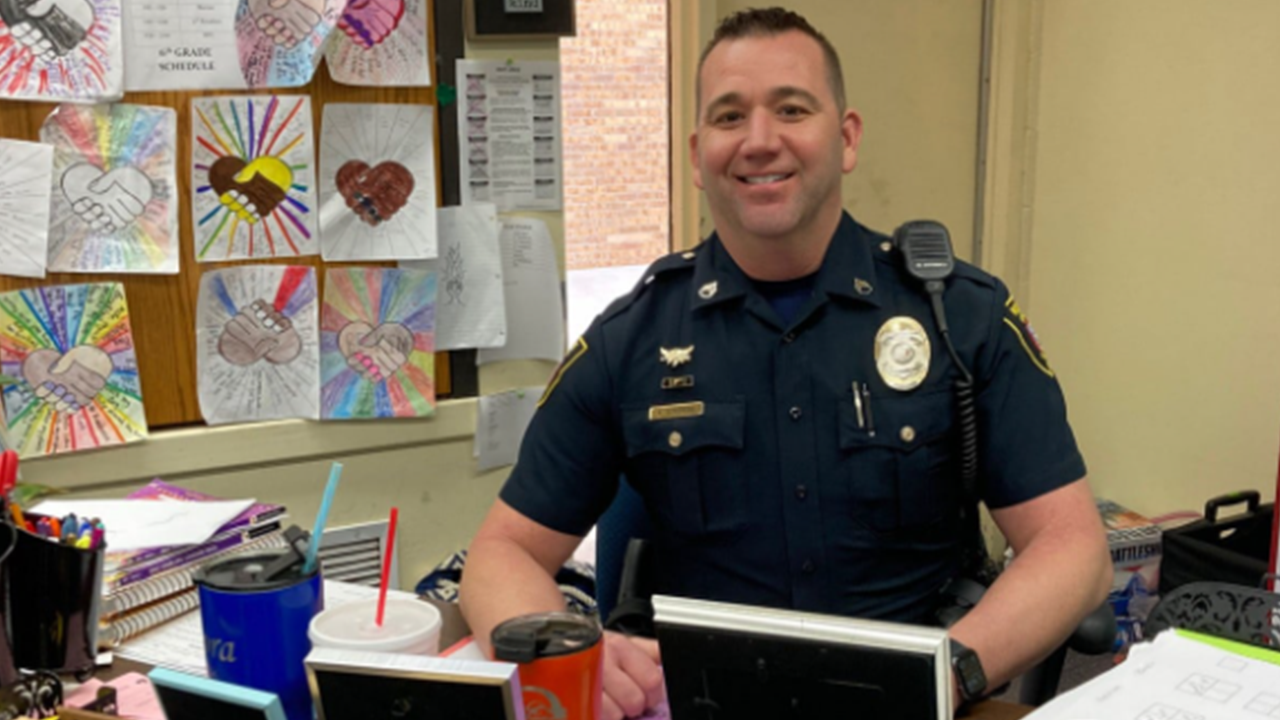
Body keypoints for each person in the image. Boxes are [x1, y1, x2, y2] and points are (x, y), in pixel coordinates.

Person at [460, 7, 1112, 719]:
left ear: (847, 137)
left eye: (792, 109)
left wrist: (945, 674)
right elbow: (501, 554)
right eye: (730, 116)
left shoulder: (961, 316)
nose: (760, 141)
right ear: (697, 151)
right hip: (707, 700)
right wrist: (571, 648)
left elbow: (1073, 546)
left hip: (926, 695)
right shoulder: (632, 338)